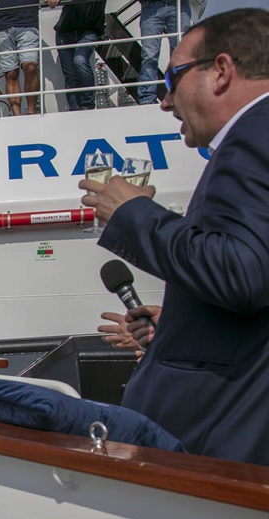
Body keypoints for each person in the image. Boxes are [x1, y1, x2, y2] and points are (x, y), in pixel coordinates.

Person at [80, 8, 269, 465]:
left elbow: (244, 273)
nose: (164, 102)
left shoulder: (252, 138)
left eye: (173, 79)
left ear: (221, 71)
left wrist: (133, 213)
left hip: (222, 448)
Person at [0, 0, 41, 115]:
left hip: (28, 23)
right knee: (10, 73)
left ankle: (31, 112)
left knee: (30, 67)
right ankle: (17, 117)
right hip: (2, 26)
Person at [46, 0, 106, 110]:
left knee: (80, 60)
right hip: (65, 32)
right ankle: (74, 108)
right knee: (71, 75)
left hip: (89, 31)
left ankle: (88, 105)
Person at [137, 0, 192, 104]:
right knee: (149, 55)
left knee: (181, 54)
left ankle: (180, 94)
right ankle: (147, 98)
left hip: (179, 5)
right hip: (151, 7)